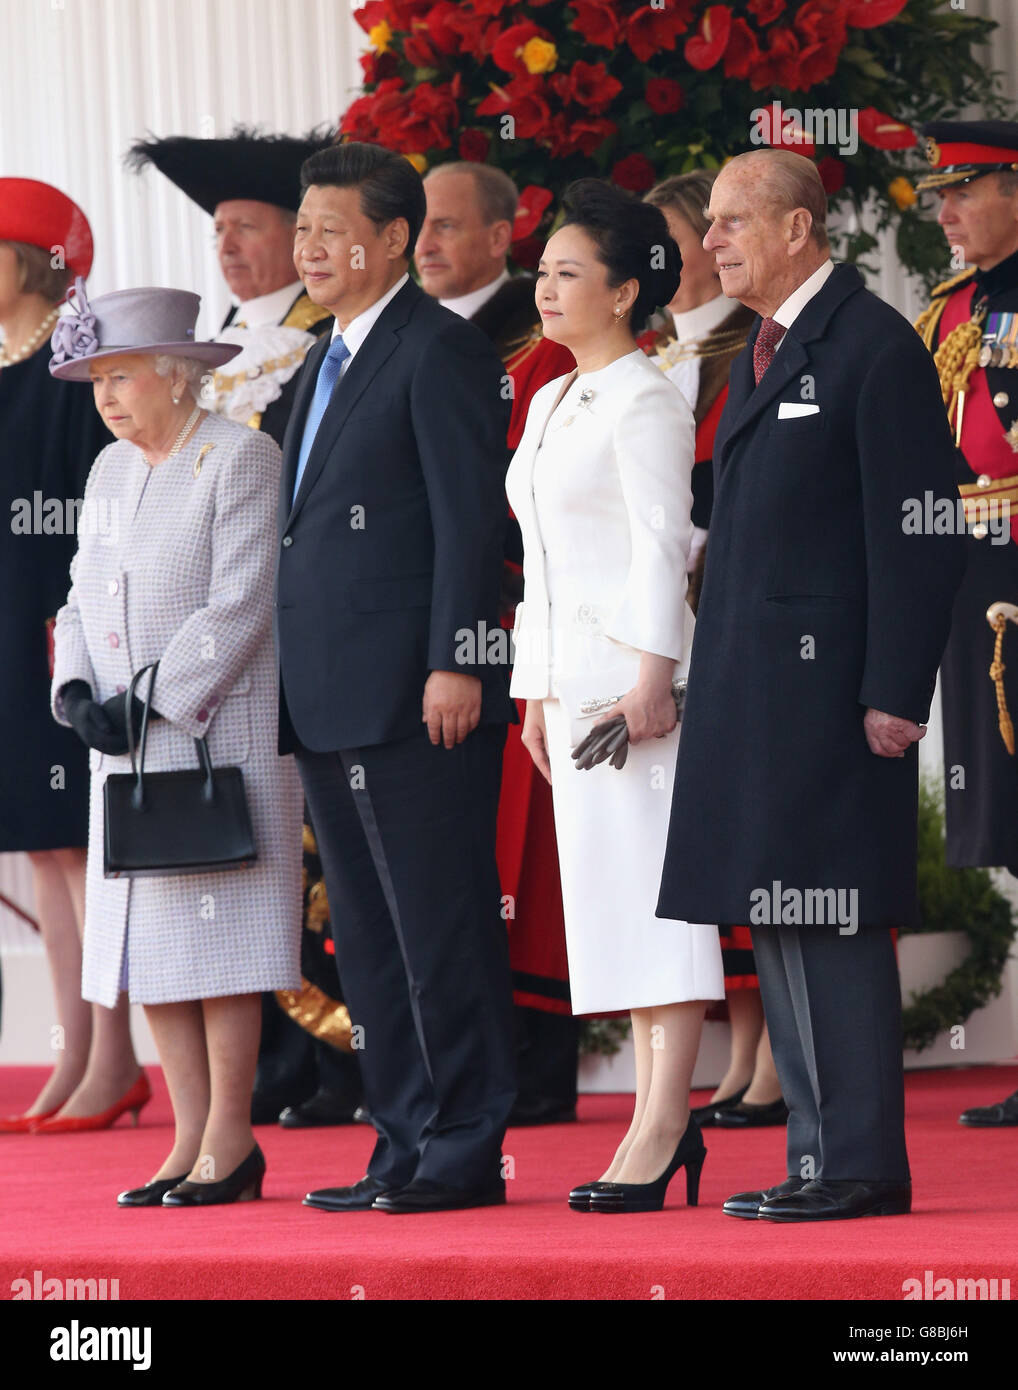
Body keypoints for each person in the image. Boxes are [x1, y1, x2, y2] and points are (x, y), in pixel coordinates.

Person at [657, 149, 966, 1223]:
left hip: (836, 696)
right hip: (758, 690)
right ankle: (815, 1152)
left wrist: (895, 692)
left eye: (733, 222)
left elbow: (918, 538)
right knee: (778, 915)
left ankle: (861, 1162)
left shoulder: (871, 345)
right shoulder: (765, 344)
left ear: (797, 229)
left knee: (830, 919)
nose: (713, 242)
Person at [278, 141, 517, 1214]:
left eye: (333, 230)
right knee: (369, 939)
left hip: (420, 695)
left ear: (391, 240)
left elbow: (473, 525)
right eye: (303, 229)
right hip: (328, 693)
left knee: (440, 926)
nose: (310, 248)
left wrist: (454, 659)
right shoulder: (314, 361)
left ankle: (463, 1150)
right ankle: (401, 1142)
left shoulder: (441, 351)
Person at [48, 283, 303, 1206]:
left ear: (177, 375)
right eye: (96, 382)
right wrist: (75, 687)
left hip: (212, 737)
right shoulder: (111, 472)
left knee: (221, 944)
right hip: (118, 745)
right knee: (149, 950)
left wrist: (153, 703)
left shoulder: (242, 457)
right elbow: (78, 592)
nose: (108, 398)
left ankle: (230, 1140)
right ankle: (186, 1139)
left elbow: (241, 603)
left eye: (120, 377)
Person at [128, 125, 362, 1128]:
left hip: (281, 634)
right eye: (219, 229)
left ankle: (342, 1061)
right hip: (198, 646)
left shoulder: (315, 339)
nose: (229, 245)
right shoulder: (217, 342)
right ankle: (264, 1063)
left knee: (303, 861)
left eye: (250, 227)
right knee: (225, 857)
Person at [507, 178, 725, 1214]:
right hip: (568, 687)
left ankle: (664, 1122)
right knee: (605, 905)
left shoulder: (646, 395)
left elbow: (660, 543)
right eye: (542, 272)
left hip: (632, 690)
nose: (544, 289)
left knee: (652, 902)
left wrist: (654, 676)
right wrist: (534, 691)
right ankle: (650, 1119)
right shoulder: (551, 395)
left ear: (625, 289)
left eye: (566, 274)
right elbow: (538, 560)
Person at [415, 160, 580, 1126]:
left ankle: (538, 1061)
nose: (427, 241)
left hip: (516, 620)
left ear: (500, 234)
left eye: (446, 224)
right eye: (419, 225)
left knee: (529, 858)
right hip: (445, 624)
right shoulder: (409, 336)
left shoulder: (542, 341)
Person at [643, 171, 783, 1127]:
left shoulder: (753, 345)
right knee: (708, 834)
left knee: (763, 819)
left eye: (675, 239)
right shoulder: (653, 353)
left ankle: (774, 1053)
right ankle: (737, 1052)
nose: (658, 260)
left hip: (736, 614)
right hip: (668, 627)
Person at [0, 178, 138, 1135]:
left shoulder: (74, 367)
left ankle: (119, 1055)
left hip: (60, 625)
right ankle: (76, 1049)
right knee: (45, 849)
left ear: (27, 262)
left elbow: (109, 503)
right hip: (10, 627)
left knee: (81, 846)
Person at [912, 121, 1018, 1131]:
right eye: (938, 193)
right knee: (1007, 809)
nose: (943, 211)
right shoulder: (948, 306)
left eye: (963, 190)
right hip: (968, 570)